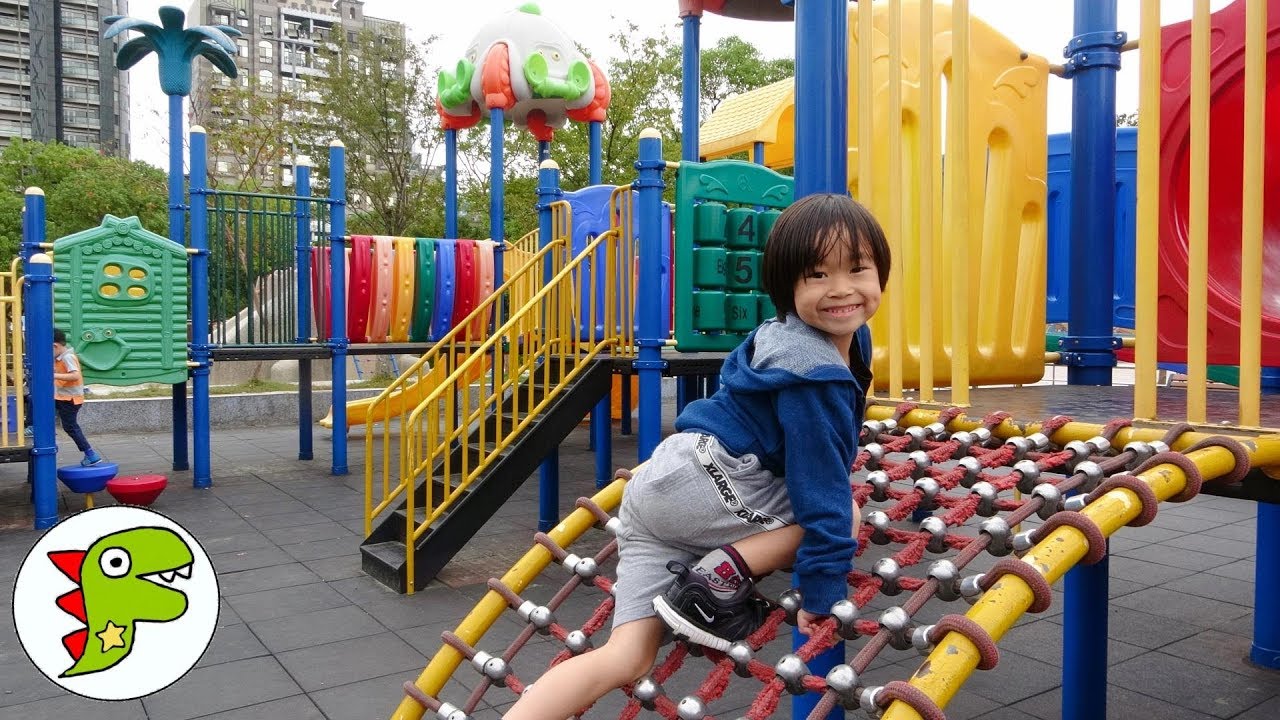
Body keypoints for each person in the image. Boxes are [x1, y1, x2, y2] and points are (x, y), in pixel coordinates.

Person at [503, 193, 889, 720]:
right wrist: (820, 595)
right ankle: (723, 571)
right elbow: (818, 490)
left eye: (858, 269)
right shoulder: (813, 377)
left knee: (626, 656)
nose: (841, 289)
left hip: (659, 482)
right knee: (842, 512)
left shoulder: (782, 337)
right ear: (786, 287)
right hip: (714, 484)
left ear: (881, 272)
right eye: (817, 275)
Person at [52, 328, 103, 466]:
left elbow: (75, 375)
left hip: (70, 400)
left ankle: (91, 454)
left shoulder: (68, 357)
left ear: (55, 346)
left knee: (70, 427)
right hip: (62, 397)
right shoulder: (59, 357)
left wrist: (53, 375)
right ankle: (35, 427)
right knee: (35, 401)